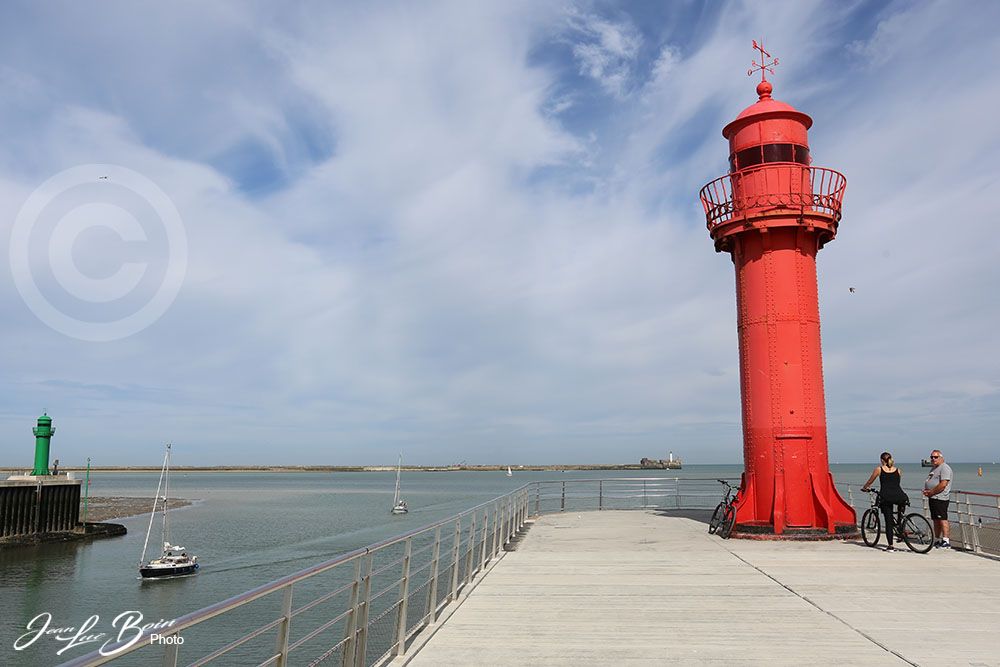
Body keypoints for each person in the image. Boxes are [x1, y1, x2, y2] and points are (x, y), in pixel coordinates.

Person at [861, 452, 909, 552]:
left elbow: (870, 481)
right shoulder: (898, 470)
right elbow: (895, 484)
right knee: (899, 515)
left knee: (888, 521)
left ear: (882, 460)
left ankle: (891, 546)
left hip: (886, 497)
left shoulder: (879, 469)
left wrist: (865, 488)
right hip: (900, 496)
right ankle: (900, 529)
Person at [922, 449, 953, 548]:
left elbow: (943, 484)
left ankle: (946, 540)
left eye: (935, 457)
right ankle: (937, 539)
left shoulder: (944, 468)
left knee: (942, 519)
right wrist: (928, 491)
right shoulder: (934, 468)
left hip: (940, 498)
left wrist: (931, 492)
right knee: (935, 519)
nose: (933, 459)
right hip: (933, 497)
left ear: (941, 457)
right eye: (931, 457)